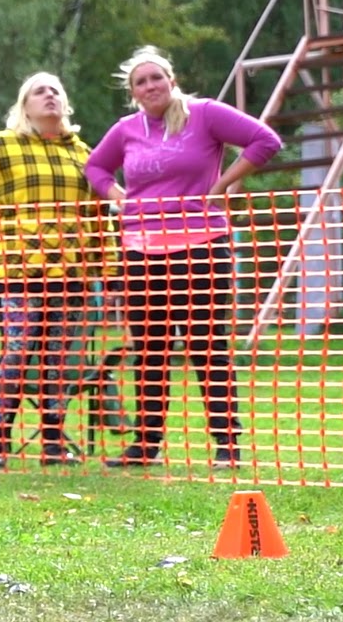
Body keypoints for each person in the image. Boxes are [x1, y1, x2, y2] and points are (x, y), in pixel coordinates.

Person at [84, 46, 282, 468]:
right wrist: (118, 197)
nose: (150, 85)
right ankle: (146, 444)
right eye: (141, 81)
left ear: (171, 81)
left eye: (156, 77)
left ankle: (227, 444)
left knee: (206, 346)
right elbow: (96, 168)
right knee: (150, 350)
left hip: (202, 245)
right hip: (140, 251)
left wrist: (223, 185)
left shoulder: (205, 114)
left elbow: (265, 141)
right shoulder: (125, 130)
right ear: (133, 92)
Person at [0, 71, 117, 470]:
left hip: (75, 275)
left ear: (65, 104)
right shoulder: (2, 146)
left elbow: (99, 212)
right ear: (25, 105)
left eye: (55, 90)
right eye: (39, 91)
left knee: (59, 360)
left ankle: (53, 442)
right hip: (22, 273)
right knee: (17, 354)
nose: (49, 95)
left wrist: (106, 261)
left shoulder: (84, 153)